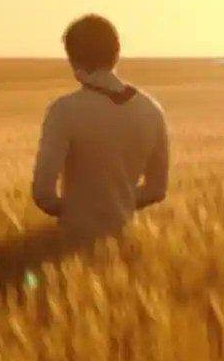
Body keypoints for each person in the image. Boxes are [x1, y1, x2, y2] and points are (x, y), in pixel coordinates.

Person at [31, 14, 169, 242]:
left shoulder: (63, 110)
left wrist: (79, 213)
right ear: (117, 53)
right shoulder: (152, 109)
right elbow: (157, 189)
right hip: (126, 240)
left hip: (71, 240)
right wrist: (118, 204)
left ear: (73, 59)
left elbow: (43, 194)